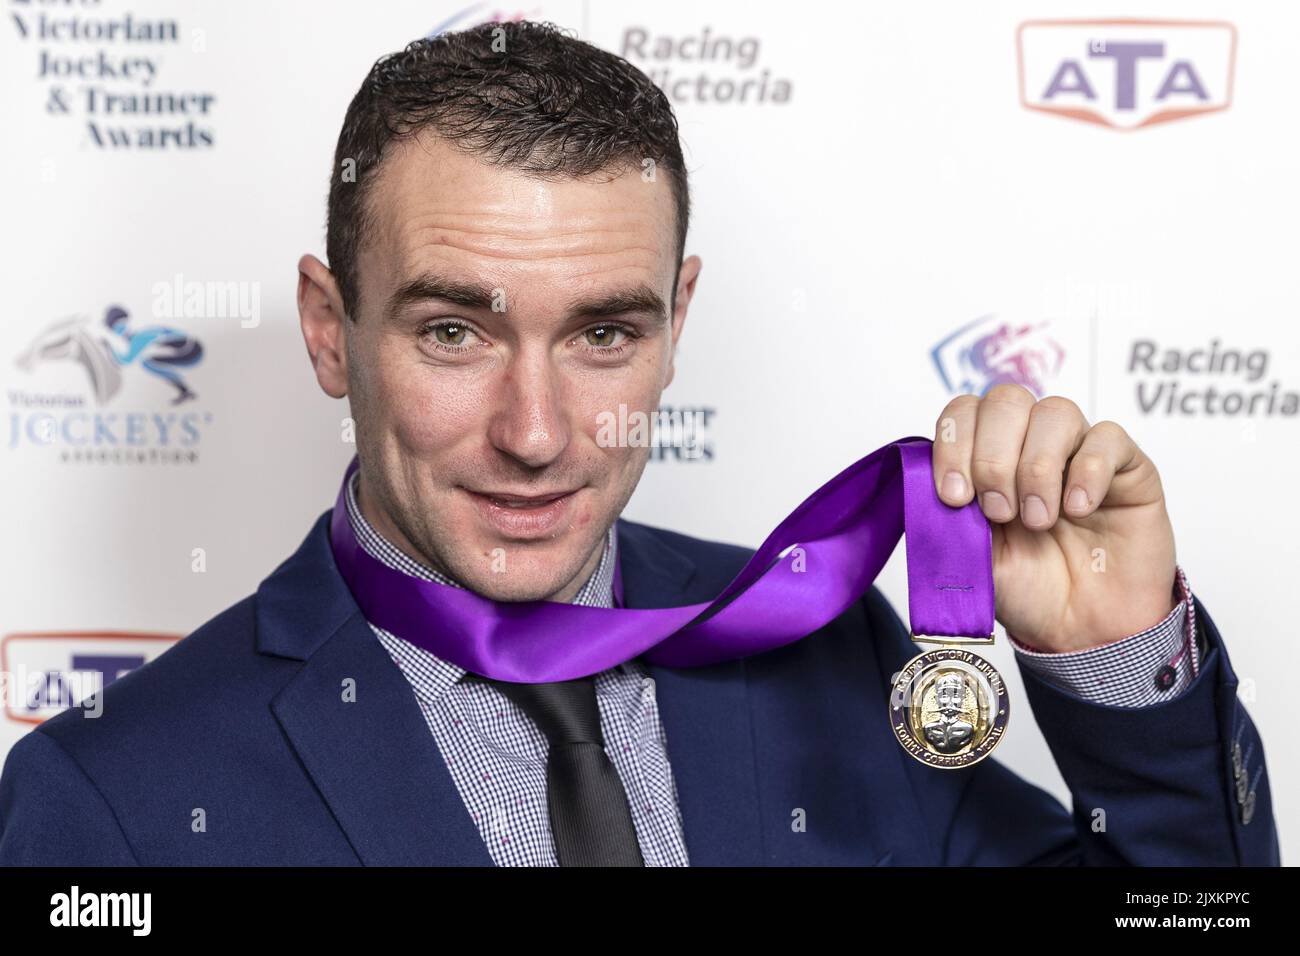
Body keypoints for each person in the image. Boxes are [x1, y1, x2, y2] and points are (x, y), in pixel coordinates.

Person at [0, 21, 1278, 866]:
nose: (537, 432)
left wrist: (1115, 662)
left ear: (677, 320)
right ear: (331, 334)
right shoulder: (109, 804)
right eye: (454, 331)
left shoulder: (828, 655)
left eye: (603, 331)